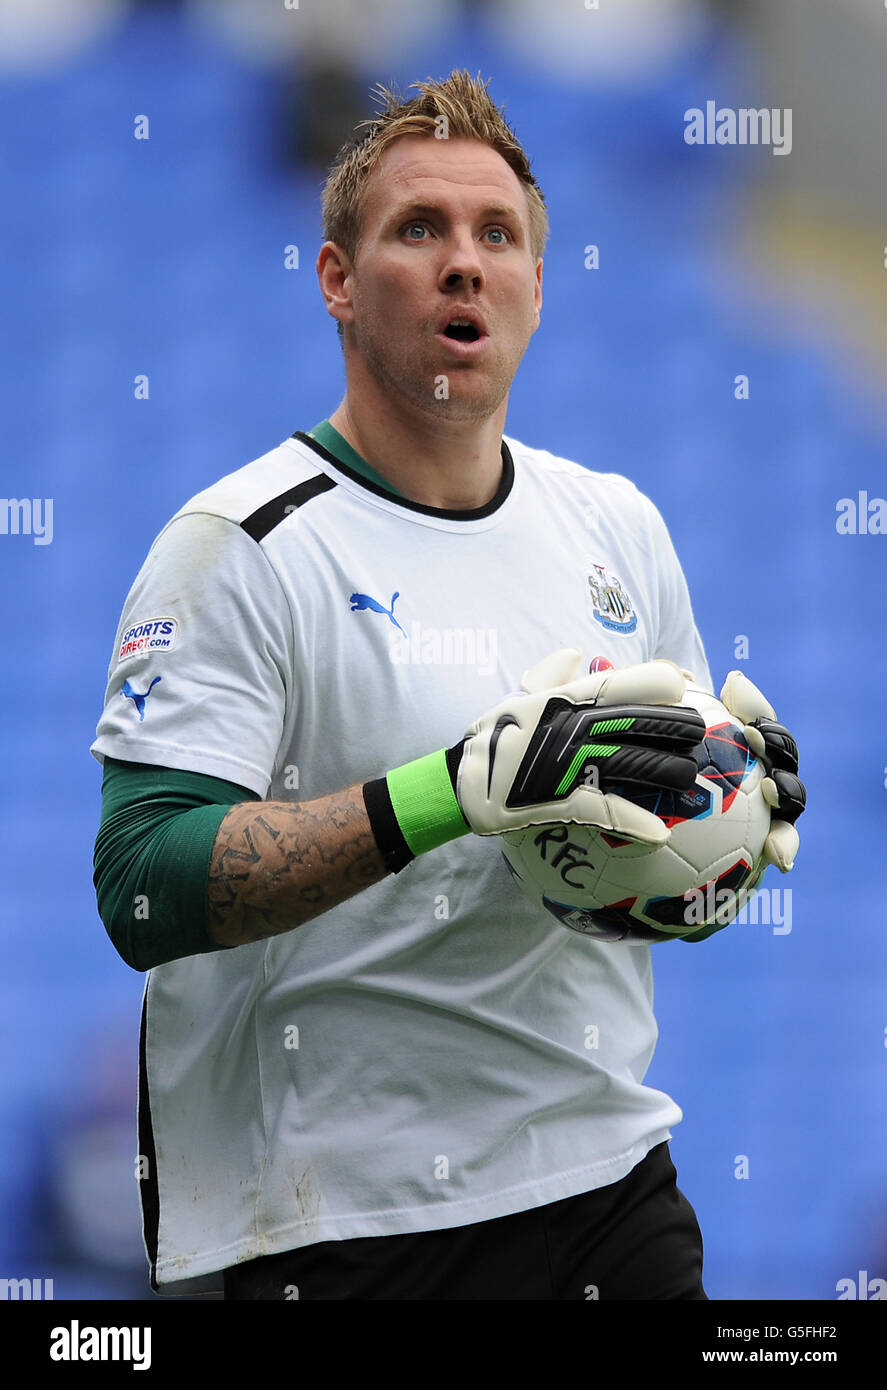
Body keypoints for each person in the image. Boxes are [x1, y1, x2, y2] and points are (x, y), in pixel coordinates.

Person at [91, 70, 805, 1301]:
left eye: (497, 235)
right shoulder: (239, 546)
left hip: (604, 1177)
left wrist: (722, 832)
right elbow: (142, 888)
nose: (463, 263)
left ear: (537, 286)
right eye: (418, 229)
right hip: (336, 1221)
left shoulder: (615, 526)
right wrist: (447, 794)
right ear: (336, 279)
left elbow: (625, 883)